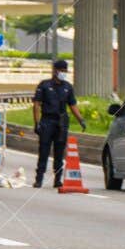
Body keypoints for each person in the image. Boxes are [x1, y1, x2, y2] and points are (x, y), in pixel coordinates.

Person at [32, 59, 87, 189]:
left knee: (59, 152)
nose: (63, 73)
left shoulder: (67, 87)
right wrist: (37, 123)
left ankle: (57, 179)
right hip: (47, 121)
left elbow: (72, 105)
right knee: (44, 151)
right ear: (54, 70)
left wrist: (81, 120)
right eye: (61, 70)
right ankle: (39, 179)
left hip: (61, 123)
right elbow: (36, 105)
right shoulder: (44, 85)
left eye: (65, 71)